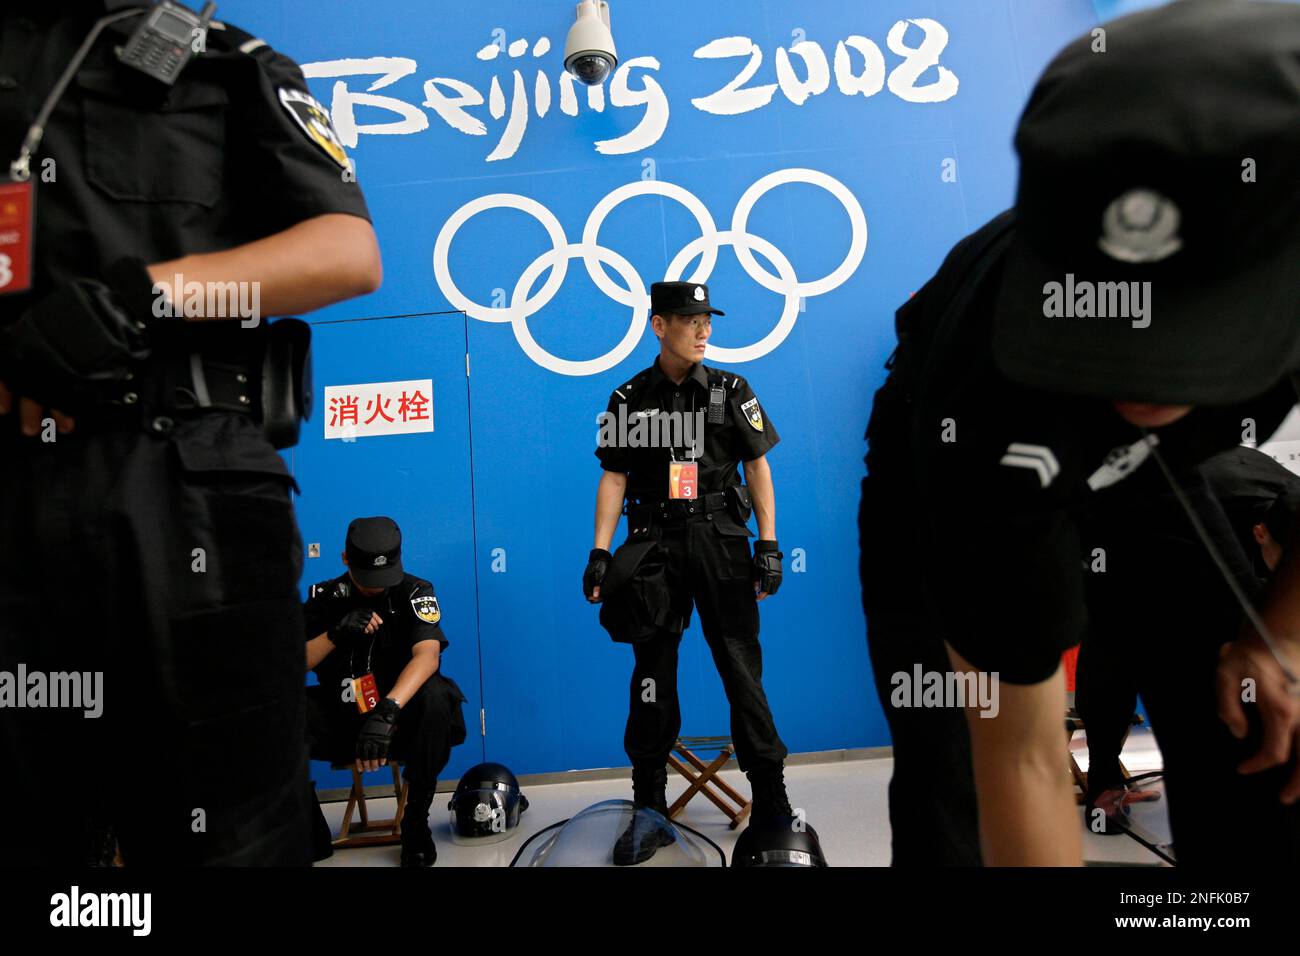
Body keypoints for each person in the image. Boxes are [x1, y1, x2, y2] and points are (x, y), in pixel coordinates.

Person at [860, 1, 1300, 866]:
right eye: (1112, 339)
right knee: (953, 776)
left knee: (1252, 714)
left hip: (1157, 474)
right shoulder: (986, 403)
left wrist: (1275, 637)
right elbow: (1020, 752)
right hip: (966, 449)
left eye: (1185, 345)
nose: (1140, 381)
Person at [0, 2, 381, 866]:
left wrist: (140, 299)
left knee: (229, 831)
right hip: (16, 480)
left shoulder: (228, 61)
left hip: (187, 487)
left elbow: (346, 250)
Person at [585, 280, 791, 864]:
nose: (703, 330)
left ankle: (773, 803)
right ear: (659, 325)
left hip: (721, 543)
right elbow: (615, 477)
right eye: (688, 319)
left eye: (707, 319)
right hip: (652, 547)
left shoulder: (732, 390)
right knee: (651, 673)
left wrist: (769, 544)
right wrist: (601, 552)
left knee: (740, 669)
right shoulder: (628, 399)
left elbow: (758, 468)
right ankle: (648, 811)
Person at [1077, 446, 1300, 836]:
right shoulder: (1191, 525)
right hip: (1128, 535)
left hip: (1219, 495)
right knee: (1120, 643)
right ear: (1260, 533)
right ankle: (1104, 780)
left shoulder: (1289, 515)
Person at [302, 517, 468, 867]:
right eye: (368, 578)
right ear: (346, 559)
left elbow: (428, 656)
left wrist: (388, 711)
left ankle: (415, 822)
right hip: (343, 714)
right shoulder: (323, 596)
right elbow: (293, 664)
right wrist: (335, 633)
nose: (376, 587)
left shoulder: (415, 591)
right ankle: (306, 830)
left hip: (397, 720)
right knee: (281, 709)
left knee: (438, 697)